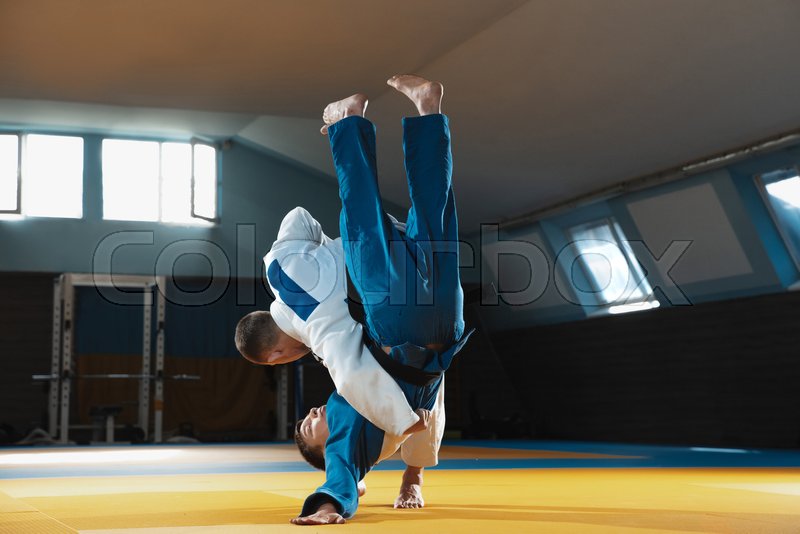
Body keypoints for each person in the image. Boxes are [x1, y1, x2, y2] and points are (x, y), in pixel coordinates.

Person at [291, 74, 471, 525]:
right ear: (328, 446)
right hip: (398, 319)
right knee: (361, 218)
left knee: (436, 209)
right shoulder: (351, 421)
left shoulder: (376, 415)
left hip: (445, 326)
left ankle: (429, 109)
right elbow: (343, 471)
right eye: (308, 428)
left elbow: (357, 468)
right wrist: (330, 506)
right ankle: (347, 120)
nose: (312, 414)